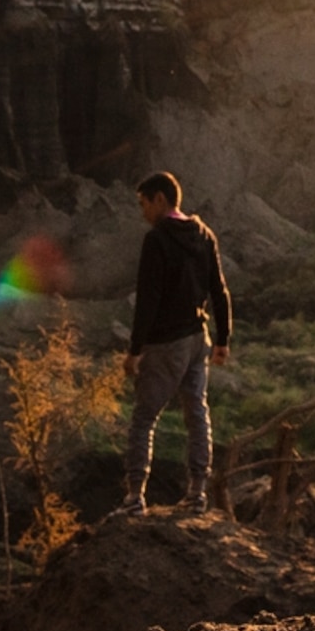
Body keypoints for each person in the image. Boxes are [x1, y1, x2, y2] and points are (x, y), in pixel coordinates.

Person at [120, 171, 233, 515]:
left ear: (160, 199)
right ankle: (197, 493)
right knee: (197, 414)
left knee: (143, 419)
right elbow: (220, 289)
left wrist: (135, 350)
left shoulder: (157, 240)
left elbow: (148, 301)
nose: (143, 212)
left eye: (144, 204)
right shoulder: (204, 235)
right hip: (198, 339)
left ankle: (135, 498)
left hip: (165, 343)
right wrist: (223, 339)